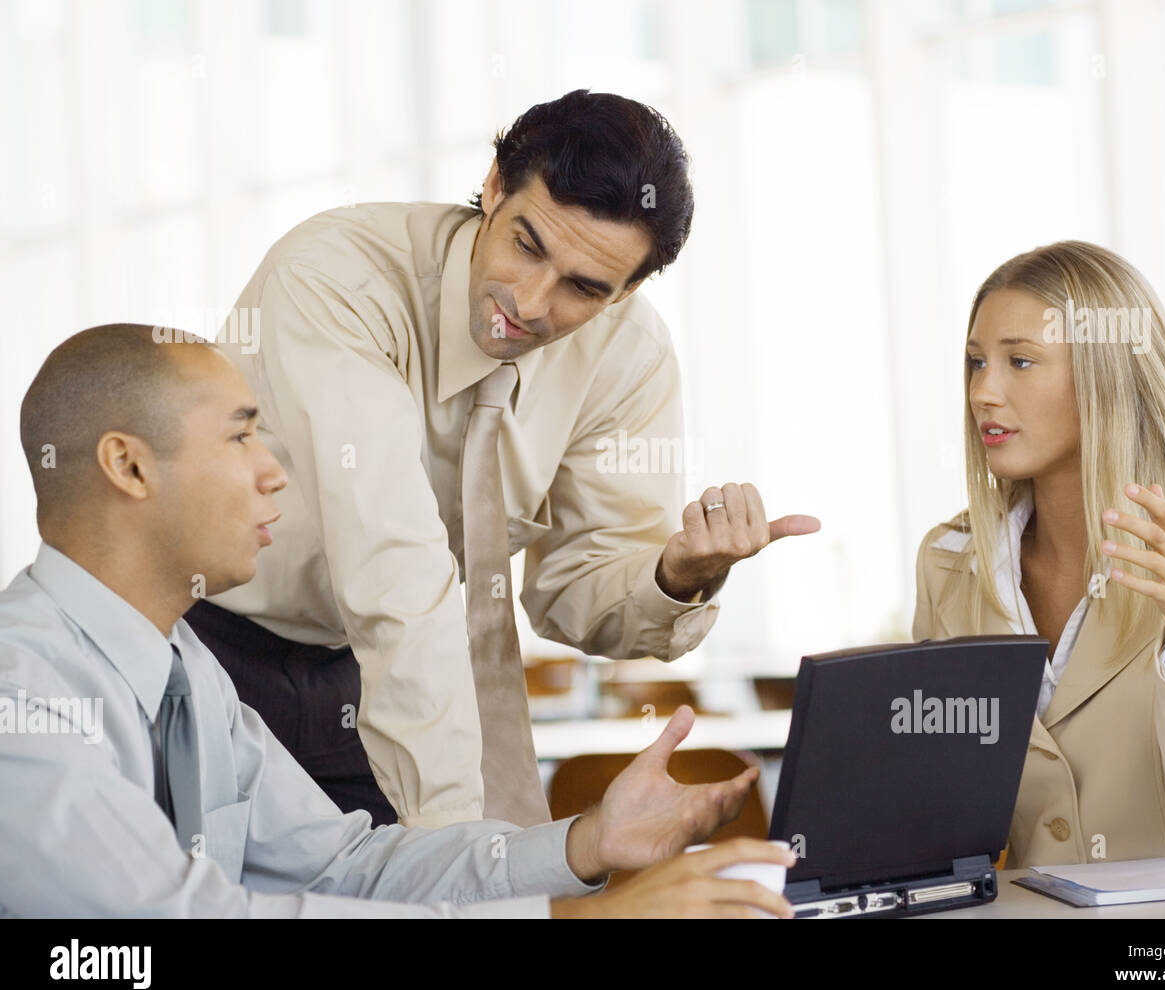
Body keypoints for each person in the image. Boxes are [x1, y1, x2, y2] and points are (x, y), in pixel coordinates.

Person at [0, 324, 795, 918]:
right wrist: (577, 917)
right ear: (129, 465)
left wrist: (582, 844)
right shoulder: (23, 690)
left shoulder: (184, 668)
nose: (275, 471)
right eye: (242, 434)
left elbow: (347, 865)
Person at [188, 88, 820, 830]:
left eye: (585, 287)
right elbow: (394, 575)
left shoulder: (629, 356)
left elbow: (569, 596)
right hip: (210, 640)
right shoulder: (337, 278)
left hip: (370, 675)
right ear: (493, 186)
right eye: (527, 244)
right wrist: (472, 853)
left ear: (632, 287)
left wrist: (676, 575)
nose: (528, 301)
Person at [912, 240, 1165, 867]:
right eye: (976, 362)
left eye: (1021, 361)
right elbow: (940, 817)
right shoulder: (948, 560)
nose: (983, 391)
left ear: (1107, 373)